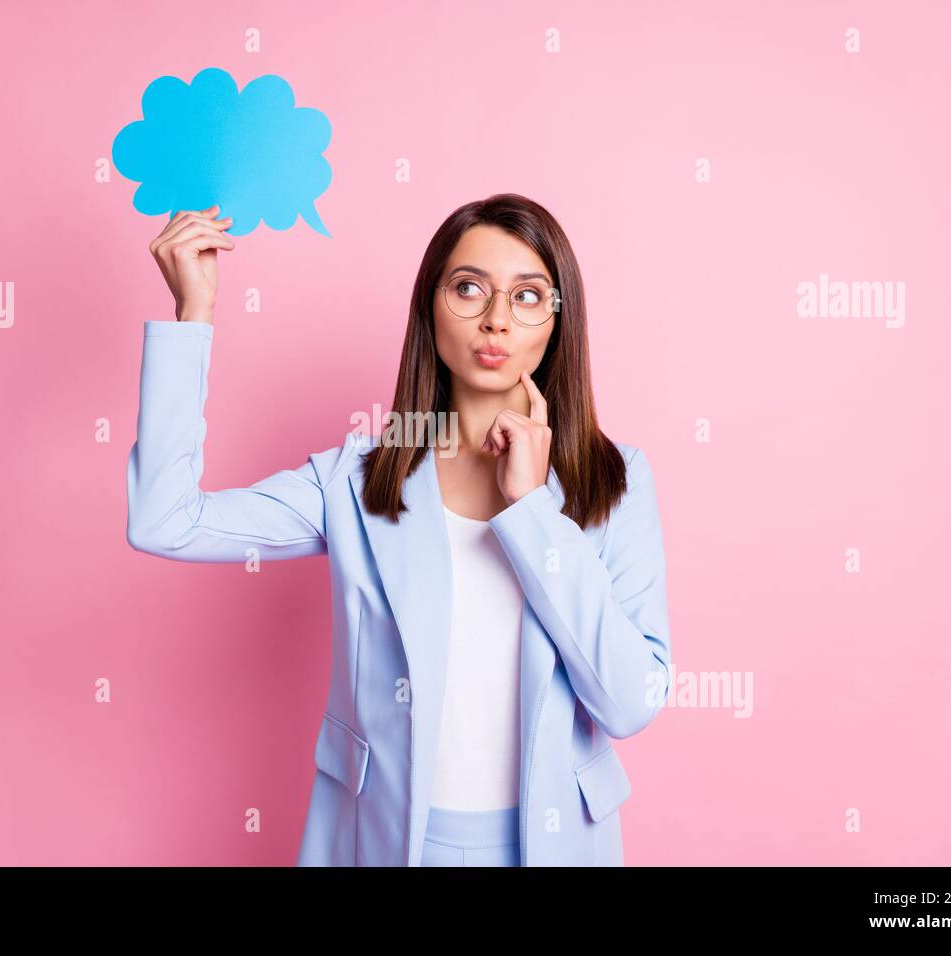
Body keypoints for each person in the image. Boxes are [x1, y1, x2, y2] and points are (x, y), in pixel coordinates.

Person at [127, 193, 672, 866]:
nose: (497, 319)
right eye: (469, 288)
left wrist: (533, 510)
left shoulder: (616, 480)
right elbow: (167, 521)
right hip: (384, 841)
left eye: (529, 296)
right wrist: (194, 316)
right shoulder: (356, 480)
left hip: (557, 846)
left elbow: (628, 701)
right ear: (429, 308)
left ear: (559, 321)